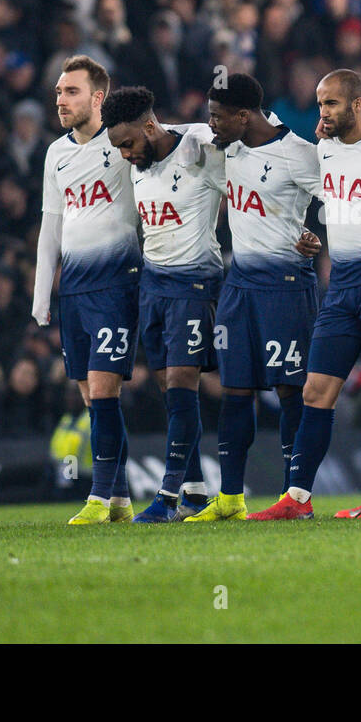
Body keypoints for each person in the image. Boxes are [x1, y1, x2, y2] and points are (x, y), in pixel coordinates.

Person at [250, 69, 361, 520]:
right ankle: (297, 498)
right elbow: (328, 203)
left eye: (331, 104)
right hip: (341, 284)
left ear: (357, 104)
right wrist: (310, 238)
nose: (322, 113)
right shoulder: (323, 150)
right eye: (321, 103)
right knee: (316, 389)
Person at [101, 84, 225, 522]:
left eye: (129, 144)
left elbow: (253, 177)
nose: (125, 155)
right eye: (117, 147)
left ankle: (168, 497)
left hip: (195, 283)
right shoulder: (138, 161)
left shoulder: (201, 148)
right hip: (152, 283)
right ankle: (194, 492)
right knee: (167, 388)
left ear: (150, 126)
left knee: (181, 379)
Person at [204, 73, 321, 518]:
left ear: (243, 115)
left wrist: (317, 238)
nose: (211, 125)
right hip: (239, 286)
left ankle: (296, 498)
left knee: (290, 391)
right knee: (235, 390)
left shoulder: (298, 155)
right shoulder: (226, 147)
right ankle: (231, 497)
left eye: (217, 117)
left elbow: (340, 202)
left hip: (286, 287)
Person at [32, 55, 142, 525]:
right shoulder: (56, 154)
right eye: (58, 92)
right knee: (89, 395)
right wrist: (41, 295)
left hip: (117, 282)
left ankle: (98, 497)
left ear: (98, 98)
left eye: (71, 92)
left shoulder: (124, 143)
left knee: (102, 390)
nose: (61, 100)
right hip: (73, 290)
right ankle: (119, 499)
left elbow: (174, 142)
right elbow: (50, 226)